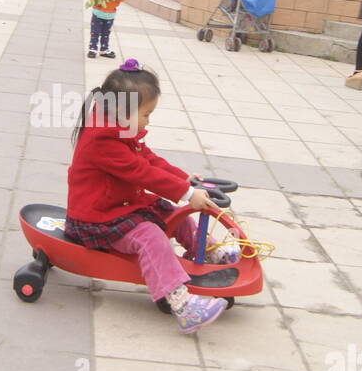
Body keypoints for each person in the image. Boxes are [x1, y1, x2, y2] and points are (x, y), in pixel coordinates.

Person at [65, 60, 238, 334]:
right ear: (122, 111)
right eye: (146, 114)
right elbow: (140, 172)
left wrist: (184, 181)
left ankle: (208, 251)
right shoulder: (102, 140)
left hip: (121, 206)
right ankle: (182, 305)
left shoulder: (118, 128)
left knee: (172, 214)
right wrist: (186, 193)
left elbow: (148, 159)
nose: (148, 121)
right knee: (150, 236)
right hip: (97, 219)